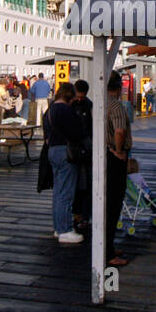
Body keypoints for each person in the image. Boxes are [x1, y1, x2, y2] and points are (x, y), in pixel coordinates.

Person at [43, 82, 85, 244]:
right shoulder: (67, 110)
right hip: (66, 151)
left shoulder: (51, 109)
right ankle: (65, 229)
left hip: (53, 150)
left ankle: (58, 226)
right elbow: (77, 132)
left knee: (58, 192)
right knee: (66, 192)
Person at [104, 71, 132, 267]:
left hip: (101, 155)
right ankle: (108, 252)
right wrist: (119, 150)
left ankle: (107, 246)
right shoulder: (116, 106)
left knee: (104, 203)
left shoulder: (99, 103)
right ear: (119, 87)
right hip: (114, 156)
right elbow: (120, 131)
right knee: (114, 203)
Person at [71, 79, 93, 227]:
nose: (79, 99)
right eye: (78, 96)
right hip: (72, 150)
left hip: (84, 149)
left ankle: (82, 214)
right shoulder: (69, 104)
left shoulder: (88, 104)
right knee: (74, 183)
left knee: (84, 184)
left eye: (82, 96)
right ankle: (76, 213)